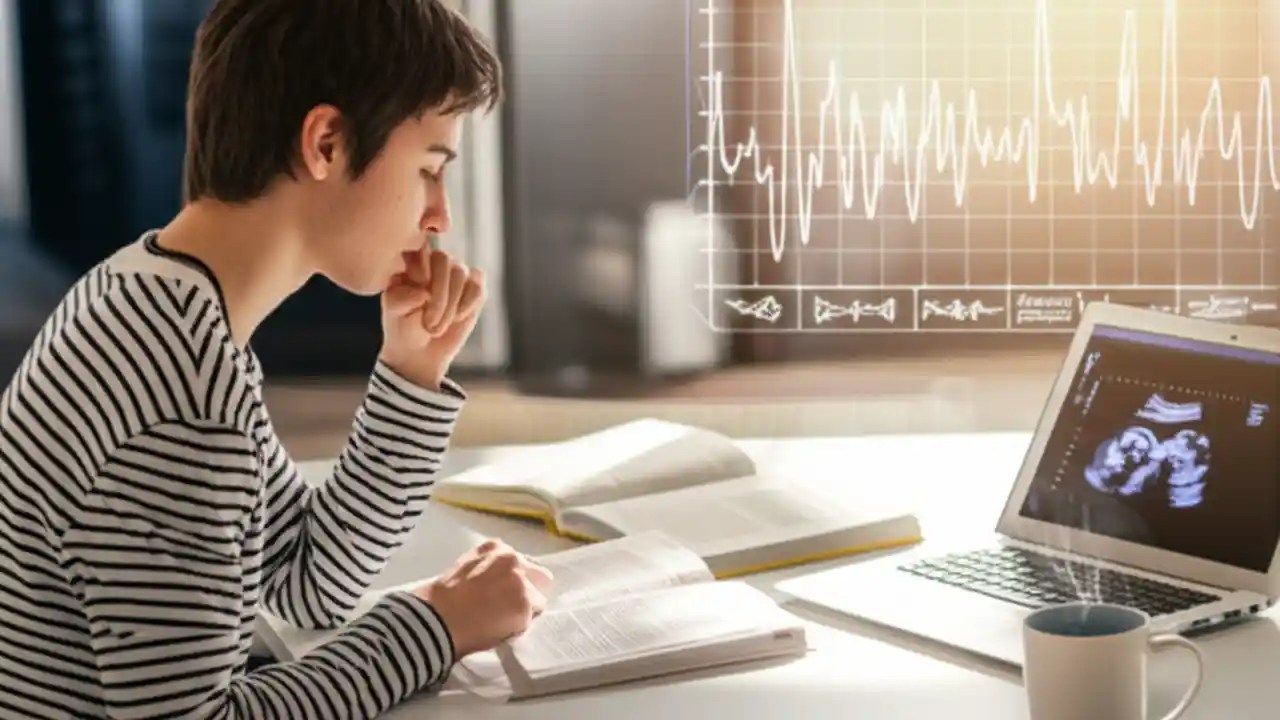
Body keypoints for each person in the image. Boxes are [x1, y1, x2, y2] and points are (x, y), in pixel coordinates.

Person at [0, 1, 552, 717]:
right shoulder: (181, 395)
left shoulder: (153, 295)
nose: (439, 215)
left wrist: (411, 373)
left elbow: (306, 579)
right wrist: (438, 626)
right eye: (428, 168)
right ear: (326, 143)